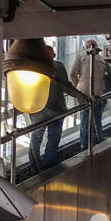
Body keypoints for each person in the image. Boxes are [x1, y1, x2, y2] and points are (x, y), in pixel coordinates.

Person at [28, 44, 83, 175]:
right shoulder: (57, 67)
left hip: (38, 109)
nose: (54, 55)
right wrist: (82, 97)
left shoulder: (32, 68)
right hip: (56, 108)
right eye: (52, 53)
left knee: (36, 136)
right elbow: (66, 86)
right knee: (53, 136)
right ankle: (48, 163)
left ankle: (35, 166)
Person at [68, 39, 111, 149]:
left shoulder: (80, 56)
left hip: (84, 92)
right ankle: (99, 137)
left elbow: (72, 74)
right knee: (97, 117)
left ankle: (84, 142)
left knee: (84, 118)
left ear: (85, 47)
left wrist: (78, 87)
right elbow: (109, 74)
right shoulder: (102, 59)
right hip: (99, 92)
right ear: (97, 47)